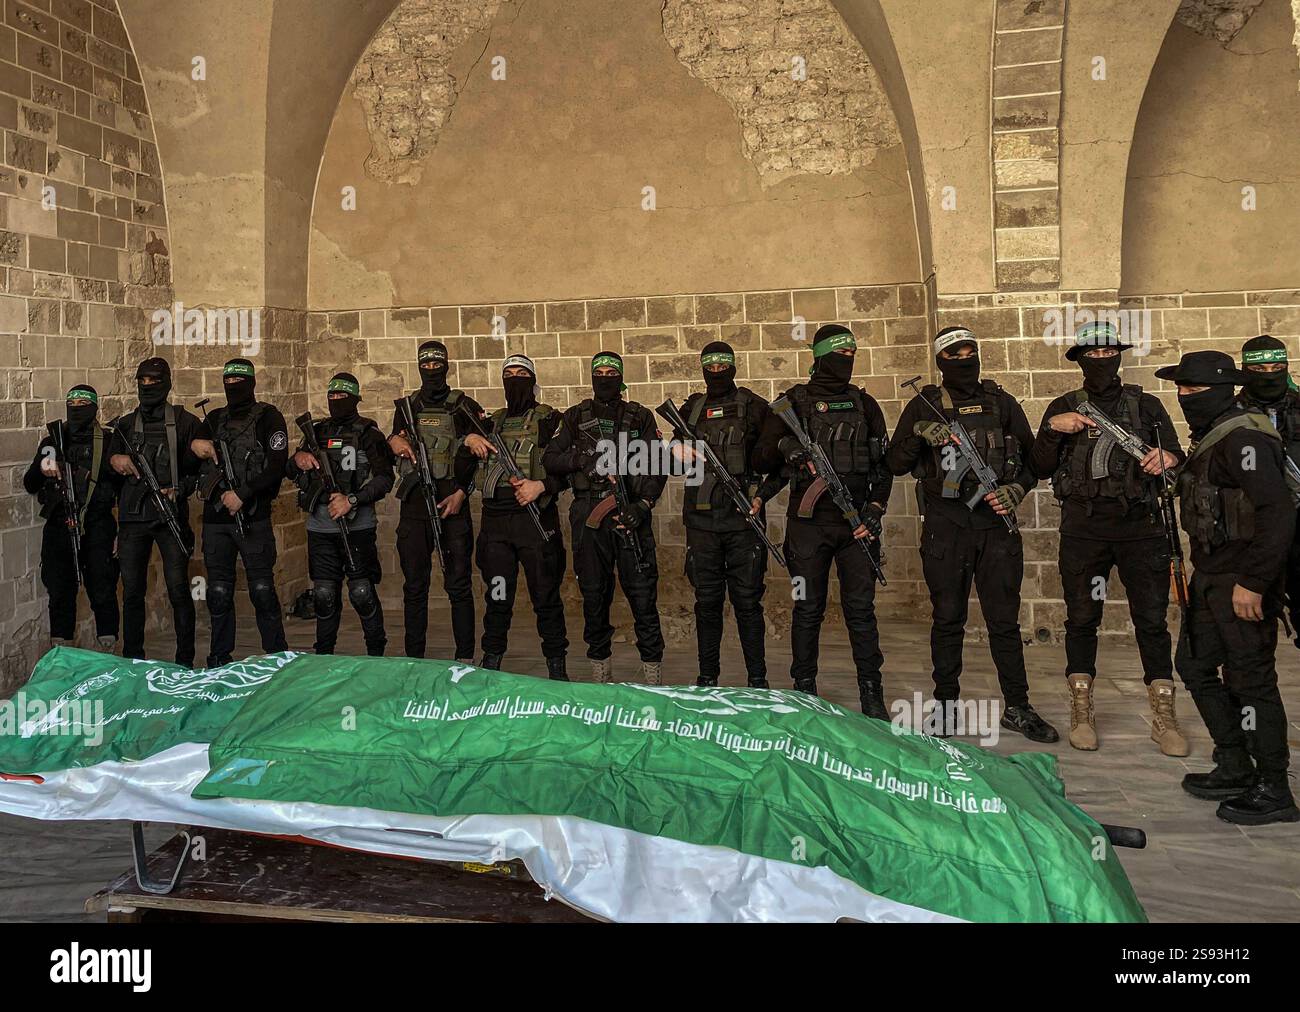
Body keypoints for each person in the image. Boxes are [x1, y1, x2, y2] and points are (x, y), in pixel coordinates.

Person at [885, 326, 1058, 742]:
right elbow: (894, 463)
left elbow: (1034, 461)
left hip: (997, 528)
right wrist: (918, 433)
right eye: (955, 355)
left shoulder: (1002, 403)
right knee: (947, 619)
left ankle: (1017, 707)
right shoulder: (924, 404)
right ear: (941, 361)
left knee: (1003, 621)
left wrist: (1019, 489)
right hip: (947, 527)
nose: (966, 361)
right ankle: (945, 706)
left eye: (971, 353)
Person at [1029, 321, 1187, 754]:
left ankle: (1164, 716)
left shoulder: (1147, 405)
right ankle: (1082, 710)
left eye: (1108, 353)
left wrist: (1168, 457)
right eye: (1092, 354)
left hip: (1141, 528)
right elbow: (1039, 467)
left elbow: (1177, 456)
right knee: (1082, 620)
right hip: (1083, 530)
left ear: (1119, 355)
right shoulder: (1064, 405)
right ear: (1079, 358)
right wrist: (1051, 429)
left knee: (1152, 622)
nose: (1101, 361)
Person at [1156, 350, 1298, 825]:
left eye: (1193, 391)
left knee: (1251, 680)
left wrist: (1254, 584)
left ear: (1219, 391)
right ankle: (1235, 761)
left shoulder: (1244, 438)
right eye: (1181, 389)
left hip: (1241, 580)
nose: (1184, 398)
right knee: (1193, 665)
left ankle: (1274, 787)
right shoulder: (1216, 435)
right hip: (1211, 576)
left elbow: (1277, 511)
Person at [752, 324, 891, 717]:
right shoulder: (791, 403)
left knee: (861, 610)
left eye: (852, 354)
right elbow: (761, 458)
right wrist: (787, 447)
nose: (847, 360)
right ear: (819, 356)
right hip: (807, 527)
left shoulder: (866, 405)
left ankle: (871, 690)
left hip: (857, 527)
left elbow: (884, 469)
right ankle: (804, 688)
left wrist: (876, 510)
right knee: (806, 606)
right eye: (840, 353)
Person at [543, 352, 666, 684]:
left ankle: (652, 672)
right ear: (592, 377)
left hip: (630, 513)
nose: (606, 377)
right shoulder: (574, 417)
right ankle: (600, 669)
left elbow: (657, 464)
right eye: (600, 372)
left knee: (642, 595)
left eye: (613, 372)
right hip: (589, 515)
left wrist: (644, 503)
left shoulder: (640, 416)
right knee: (594, 595)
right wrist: (584, 459)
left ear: (621, 378)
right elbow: (551, 459)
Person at [673, 342, 781, 689]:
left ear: (734, 366)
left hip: (743, 519)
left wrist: (762, 496)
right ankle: (707, 678)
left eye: (723, 364)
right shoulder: (692, 408)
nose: (716, 371)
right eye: (710, 365)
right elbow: (672, 460)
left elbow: (782, 460)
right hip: (701, 521)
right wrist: (674, 448)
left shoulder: (754, 406)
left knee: (748, 602)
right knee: (706, 602)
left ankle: (758, 680)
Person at [460, 355, 570, 679]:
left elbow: (569, 469)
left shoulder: (550, 420)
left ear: (533, 380)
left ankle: (557, 667)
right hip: (496, 528)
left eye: (522, 373)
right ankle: (491, 661)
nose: (515, 378)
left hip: (535, 523)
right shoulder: (490, 423)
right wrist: (467, 441)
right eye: (508, 374)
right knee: (497, 597)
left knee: (546, 597)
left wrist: (542, 486)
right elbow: (462, 470)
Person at [388, 340, 484, 663]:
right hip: (414, 506)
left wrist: (461, 493)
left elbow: (481, 456)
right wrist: (393, 441)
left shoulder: (463, 406)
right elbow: (394, 443)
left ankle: (465, 659)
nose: (431, 370)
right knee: (415, 586)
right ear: (419, 367)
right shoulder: (407, 407)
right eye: (425, 365)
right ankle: (414, 658)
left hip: (452, 505)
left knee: (458, 584)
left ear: (447, 365)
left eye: (436, 364)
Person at [190, 358, 290, 667]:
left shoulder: (269, 418)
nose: (233, 386)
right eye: (228, 381)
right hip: (216, 521)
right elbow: (189, 457)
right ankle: (219, 659)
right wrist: (196, 445)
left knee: (262, 590)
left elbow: (277, 466)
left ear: (251, 383)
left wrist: (242, 494)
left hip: (253, 517)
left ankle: (277, 657)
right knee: (218, 592)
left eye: (239, 381)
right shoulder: (215, 417)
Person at [289, 372, 393, 657]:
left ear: (355, 400)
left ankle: (376, 655)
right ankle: (323, 656)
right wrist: (298, 459)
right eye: (331, 396)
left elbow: (385, 479)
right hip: (320, 527)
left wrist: (352, 500)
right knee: (323, 594)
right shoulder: (317, 432)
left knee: (361, 592)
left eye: (342, 397)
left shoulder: (369, 434)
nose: (336, 401)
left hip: (357, 528)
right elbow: (291, 469)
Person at [108, 357, 202, 666]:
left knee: (178, 590)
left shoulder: (185, 422)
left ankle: (184, 660)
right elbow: (108, 472)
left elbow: (202, 472)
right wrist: (115, 461)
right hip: (134, 518)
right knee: (133, 591)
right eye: (142, 382)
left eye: (154, 382)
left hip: (169, 515)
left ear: (167, 384)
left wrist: (181, 489)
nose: (147, 388)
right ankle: (132, 658)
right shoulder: (123, 425)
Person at [24, 385, 119, 650]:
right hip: (59, 525)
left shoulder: (108, 441)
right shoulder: (53, 442)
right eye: (72, 402)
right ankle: (61, 654)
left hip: (98, 524)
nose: (76, 407)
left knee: (102, 587)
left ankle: (107, 651)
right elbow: (30, 484)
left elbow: (124, 490)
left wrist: (119, 532)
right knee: (60, 591)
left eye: (82, 403)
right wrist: (43, 468)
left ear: (94, 407)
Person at [1235, 334, 1300, 644]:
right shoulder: (1231, 415)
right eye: (1259, 370)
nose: (1269, 375)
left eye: (1277, 367)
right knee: (1252, 634)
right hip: (1254, 531)